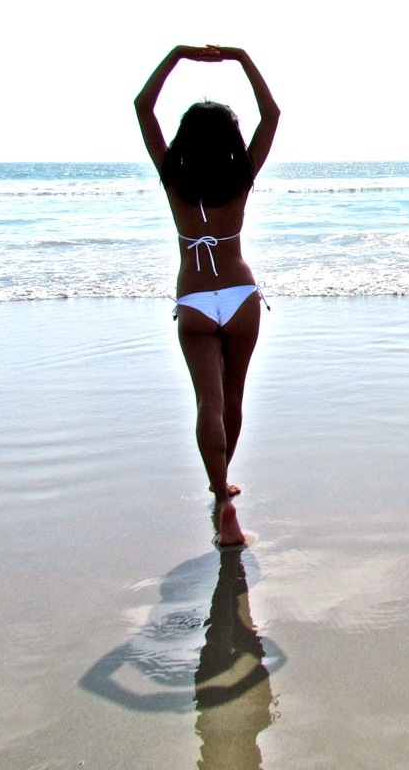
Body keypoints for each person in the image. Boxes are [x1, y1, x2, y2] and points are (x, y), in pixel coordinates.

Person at [135, 44, 280, 549]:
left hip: (195, 300)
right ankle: (223, 491)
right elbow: (271, 115)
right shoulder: (242, 175)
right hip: (239, 296)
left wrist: (177, 56)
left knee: (207, 403)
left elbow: (142, 108)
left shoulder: (172, 175)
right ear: (230, 140)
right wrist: (240, 59)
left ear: (185, 140)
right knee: (233, 397)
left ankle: (220, 494)